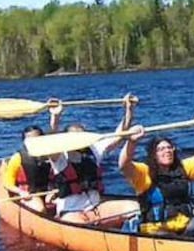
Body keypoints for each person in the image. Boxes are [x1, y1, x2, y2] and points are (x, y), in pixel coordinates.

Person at [118, 113, 194, 236]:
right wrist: (132, 142)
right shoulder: (144, 172)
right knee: (168, 236)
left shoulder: (183, 168)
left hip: (183, 223)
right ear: (153, 155)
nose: (167, 151)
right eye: (161, 149)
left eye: (169, 148)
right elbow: (124, 165)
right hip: (156, 229)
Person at [46, 95, 138, 225]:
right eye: (75, 137)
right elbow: (52, 141)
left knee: (134, 208)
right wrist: (55, 117)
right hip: (71, 212)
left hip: (96, 209)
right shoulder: (60, 157)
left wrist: (129, 111)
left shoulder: (94, 150)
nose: (79, 141)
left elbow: (119, 136)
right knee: (80, 226)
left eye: (82, 136)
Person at [1, 123, 51, 214]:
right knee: (40, 209)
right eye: (29, 140)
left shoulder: (50, 155)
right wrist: (20, 192)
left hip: (49, 192)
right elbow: (7, 183)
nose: (34, 142)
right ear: (24, 142)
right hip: (29, 193)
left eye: (37, 139)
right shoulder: (17, 158)